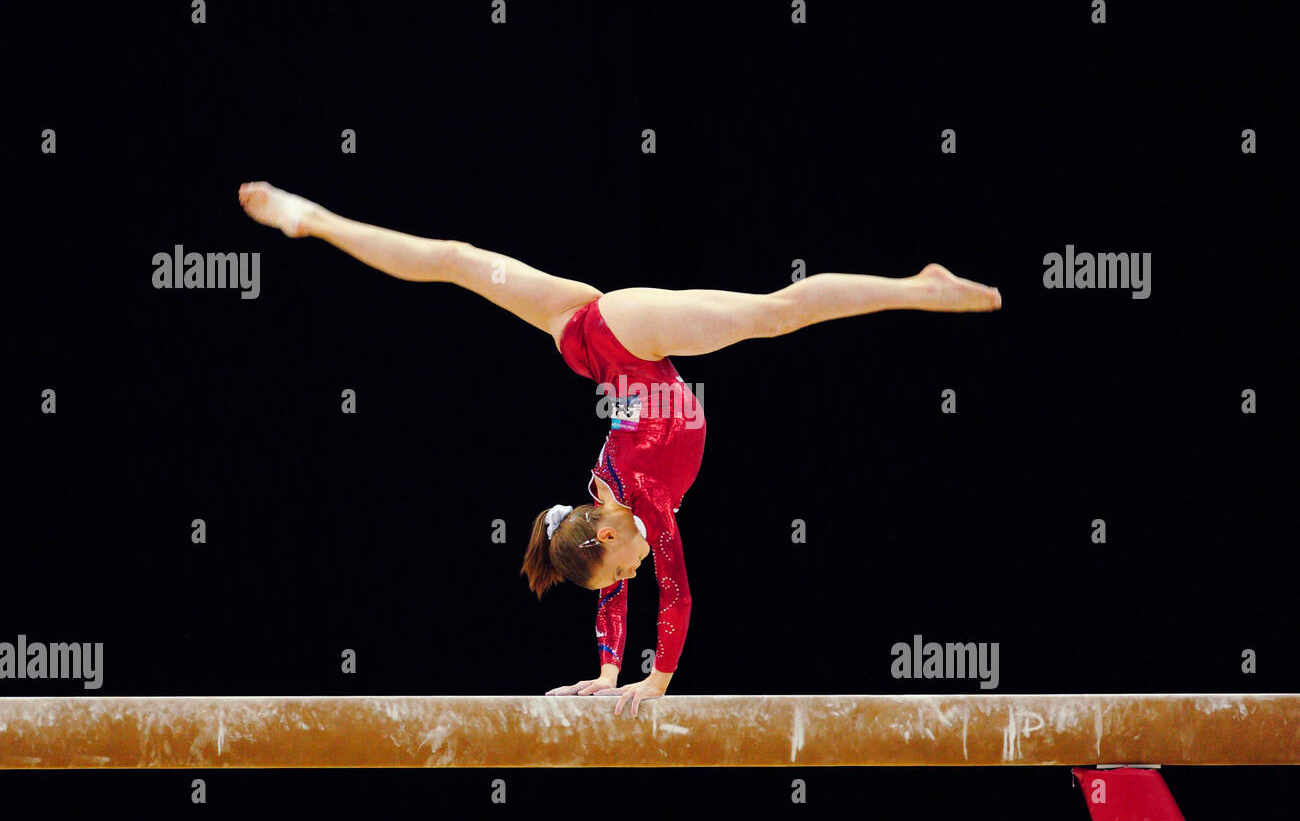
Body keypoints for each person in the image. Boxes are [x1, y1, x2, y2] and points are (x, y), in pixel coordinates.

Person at [238, 180, 1000, 716]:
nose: (628, 571)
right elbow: (617, 586)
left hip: (626, 333)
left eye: (620, 561)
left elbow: (677, 591)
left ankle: (920, 285)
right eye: (622, 568)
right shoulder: (607, 514)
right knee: (455, 259)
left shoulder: (645, 504)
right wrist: (609, 675)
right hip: (583, 340)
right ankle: (312, 218)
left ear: (606, 531)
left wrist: (656, 683)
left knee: (776, 314)